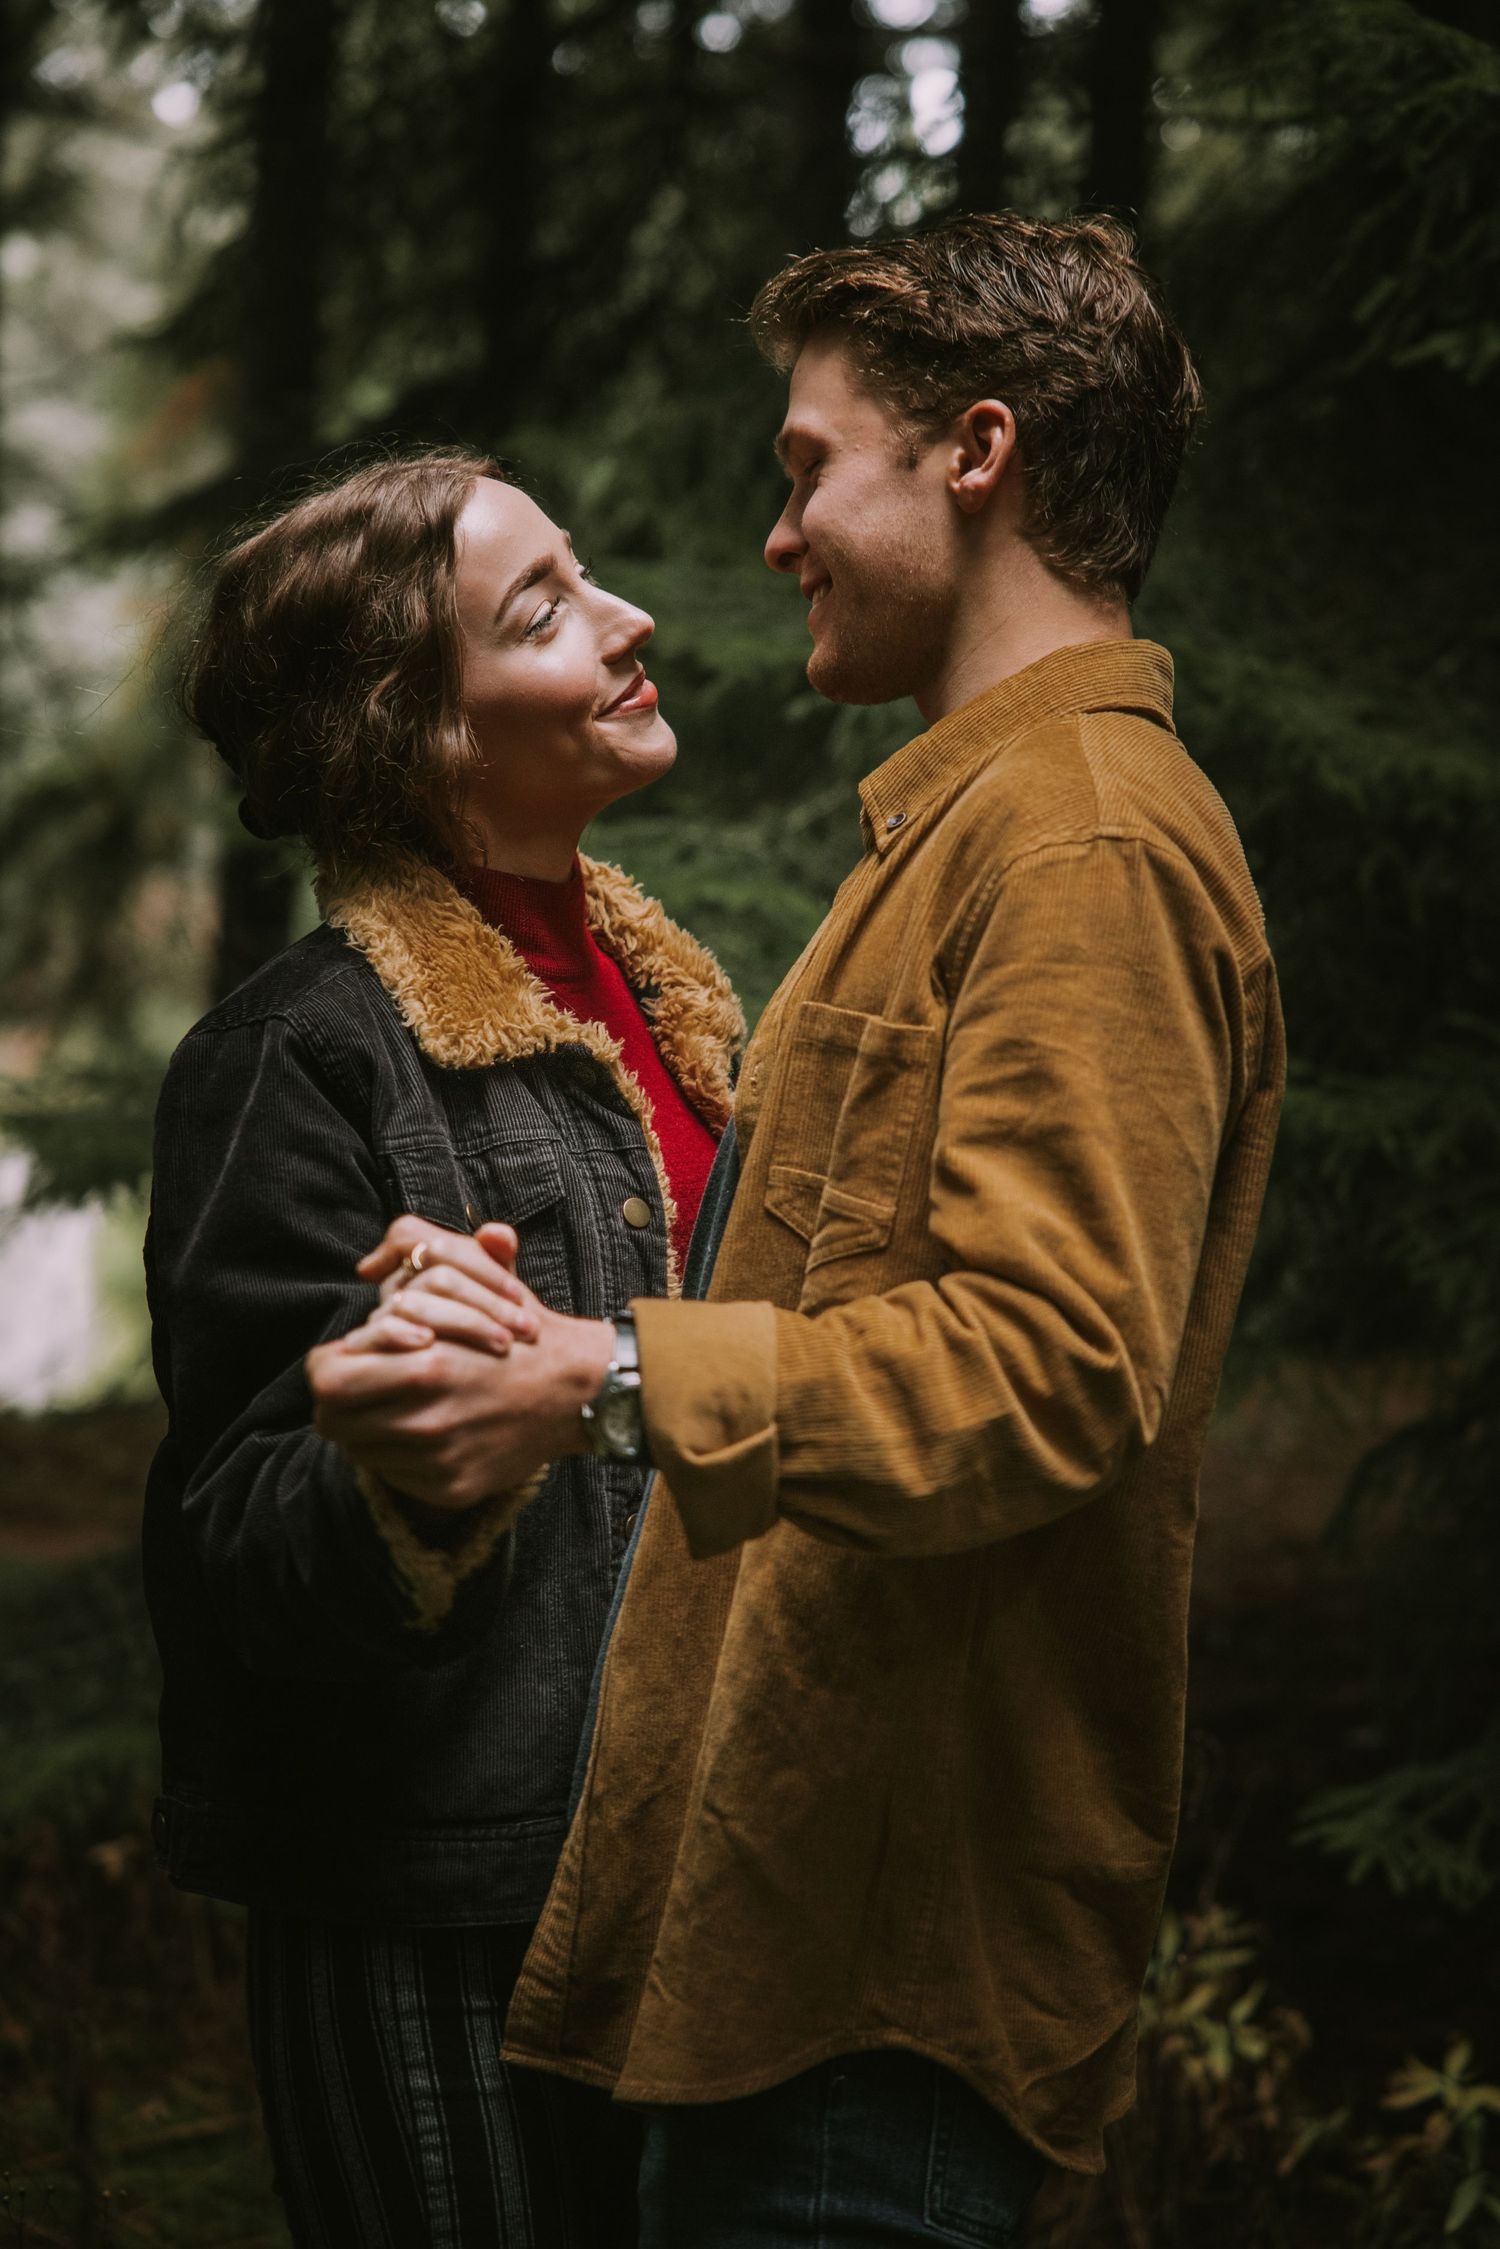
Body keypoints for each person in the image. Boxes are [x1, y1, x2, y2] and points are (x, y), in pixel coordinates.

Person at [310, 214, 1285, 2246]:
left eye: (808, 465)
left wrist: (599, 1376)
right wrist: (521, 1339)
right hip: (790, 1963)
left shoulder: (1083, 843)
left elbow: (1054, 1366)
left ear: (977, 454)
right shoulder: (969, 837)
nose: (778, 537)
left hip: (884, 1991)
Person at [143, 449, 742, 2249]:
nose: (628, 621)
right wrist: (388, 1467)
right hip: (439, 1909)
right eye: (544, 608)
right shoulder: (299, 1058)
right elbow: (231, 1539)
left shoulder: (686, 1014)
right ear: (413, 731)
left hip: (700, 1869)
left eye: (586, 572)